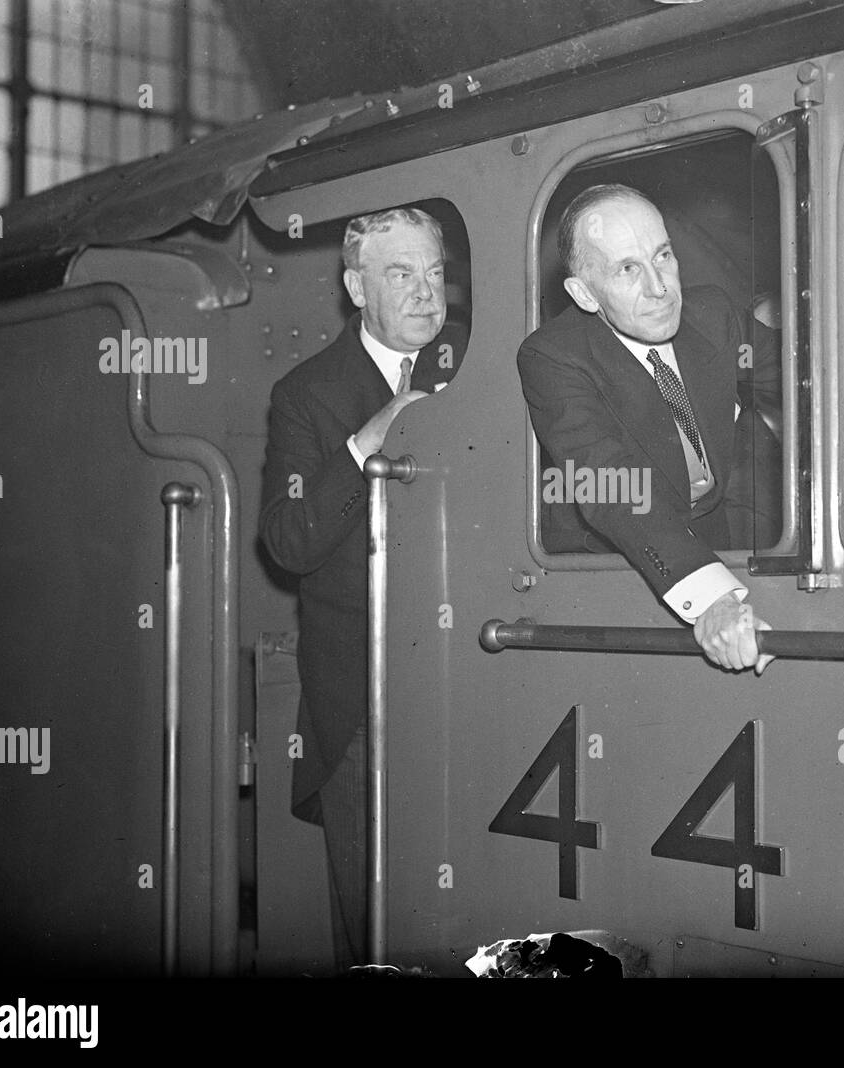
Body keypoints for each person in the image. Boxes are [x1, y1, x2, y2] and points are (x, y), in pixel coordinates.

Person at [259, 206, 464, 969]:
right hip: (361, 714)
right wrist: (366, 443)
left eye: (435, 272)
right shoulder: (306, 395)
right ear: (355, 286)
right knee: (379, 930)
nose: (425, 293)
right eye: (400, 273)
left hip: (462, 691)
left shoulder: (479, 368)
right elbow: (287, 541)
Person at [517, 184, 778, 673]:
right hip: (613, 570)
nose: (660, 288)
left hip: (712, 548)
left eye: (664, 256)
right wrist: (711, 597)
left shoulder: (715, 315)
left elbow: (807, 375)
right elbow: (610, 484)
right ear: (584, 293)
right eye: (627, 269)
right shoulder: (553, 357)